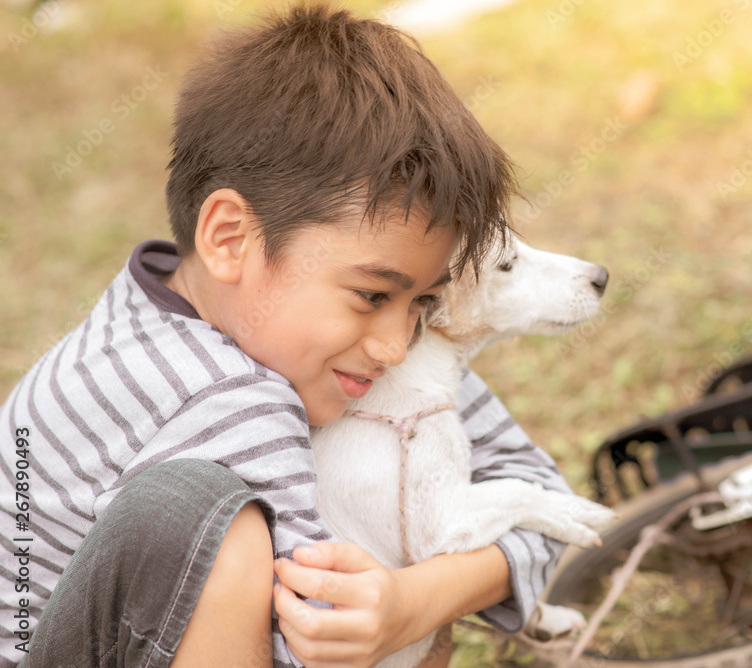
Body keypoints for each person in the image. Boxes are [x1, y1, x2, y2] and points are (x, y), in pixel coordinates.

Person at [0, 5, 574, 667]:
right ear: (229, 239)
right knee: (209, 518)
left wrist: (417, 600)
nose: (396, 343)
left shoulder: (330, 340)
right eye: (372, 295)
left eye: (426, 302)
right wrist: (398, 607)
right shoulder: (225, 394)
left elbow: (543, 497)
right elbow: (317, 640)